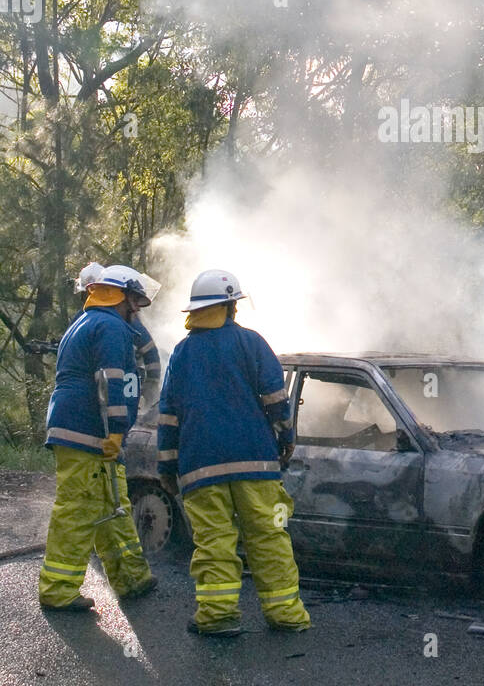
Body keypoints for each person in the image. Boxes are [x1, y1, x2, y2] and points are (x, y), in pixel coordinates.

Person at [157, 269, 310, 638]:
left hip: (200, 468)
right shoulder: (251, 342)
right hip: (257, 464)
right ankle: (285, 614)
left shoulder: (182, 353)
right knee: (270, 537)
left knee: (214, 543)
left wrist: (166, 466)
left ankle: (219, 615)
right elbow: (276, 397)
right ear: (228, 306)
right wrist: (287, 436)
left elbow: (168, 414)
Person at [39, 265, 157, 611]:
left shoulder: (90, 321)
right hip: (88, 431)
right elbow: (110, 382)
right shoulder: (110, 327)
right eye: (134, 299)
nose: (136, 308)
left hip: (86, 429)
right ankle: (58, 590)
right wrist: (118, 432)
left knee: (112, 503)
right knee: (78, 508)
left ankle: (131, 577)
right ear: (119, 296)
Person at [75, 262, 162, 414]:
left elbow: (150, 350)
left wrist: (151, 384)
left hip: (128, 381)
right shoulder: (107, 323)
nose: (137, 309)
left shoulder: (103, 322)